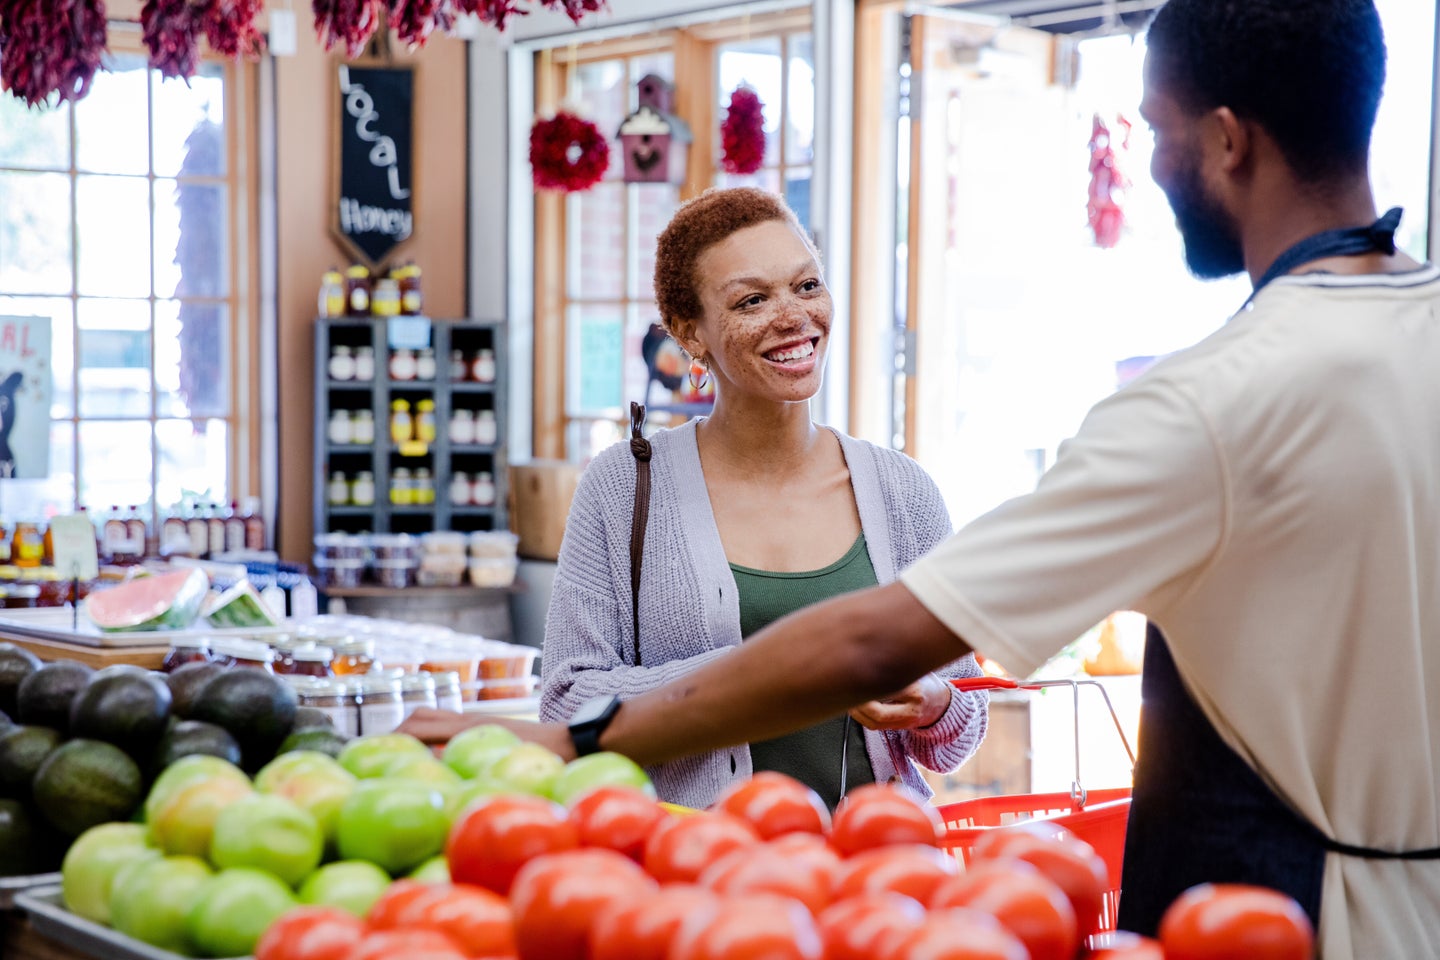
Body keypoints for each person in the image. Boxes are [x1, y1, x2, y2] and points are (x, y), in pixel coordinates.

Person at [401, 1, 1439, 953]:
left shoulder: (1208, 404)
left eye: (1157, 131)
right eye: (751, 299)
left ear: (1225, 140)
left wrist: (570, 736)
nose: (1155, 164)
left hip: (1286, 922)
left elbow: (873, 641)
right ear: (692, 337)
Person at [513, 188, 989, 810]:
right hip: (699, 869)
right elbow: (569, 705)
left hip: (879, 871)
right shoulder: (623, 488)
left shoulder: (902, 492)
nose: (793, 316)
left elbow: (963, 717)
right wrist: (766, 675)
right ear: (692, 335)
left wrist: (935, 704)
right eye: (752, 300)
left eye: (807, 286)